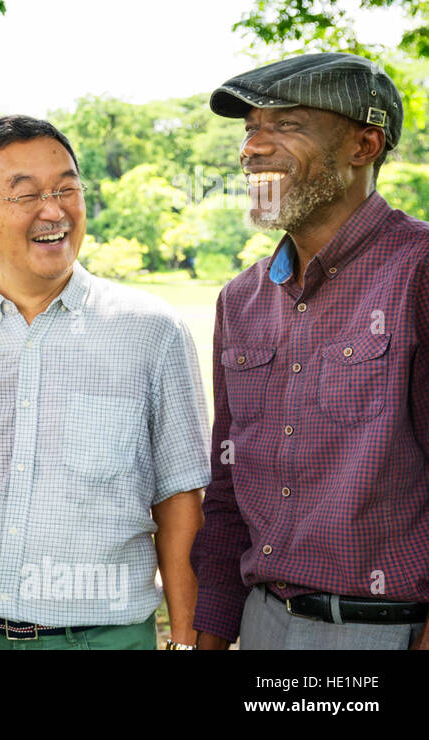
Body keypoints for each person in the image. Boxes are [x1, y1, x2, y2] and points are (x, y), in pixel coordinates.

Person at [0, 115, 210, 650]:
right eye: (26, 194)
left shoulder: (151, 332)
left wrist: (185, 639)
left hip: (110, 638)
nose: (54, 210)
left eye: (67, 188)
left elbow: (180, 498)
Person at [192, 53, 429, 650]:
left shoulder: (418, 273)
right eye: (251, 129)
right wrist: (211, 639)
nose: (253, 148)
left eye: (287, 125)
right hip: (262, 624)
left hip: (387, 633)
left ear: (364, 144)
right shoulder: (239, 300)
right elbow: (226, 493)